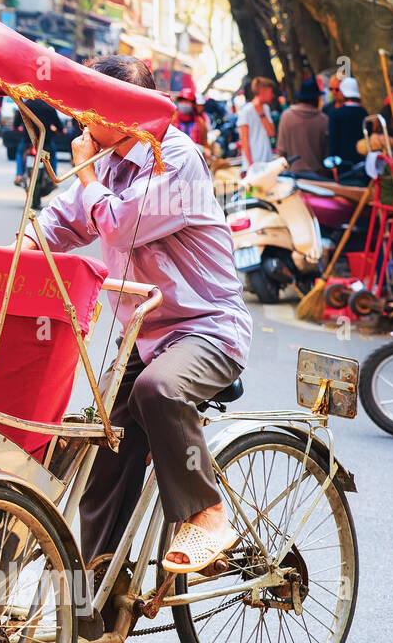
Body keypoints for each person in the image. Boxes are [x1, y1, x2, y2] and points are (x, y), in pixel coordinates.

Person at [24, 54, 252, 575]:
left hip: (207, 330)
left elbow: (119, 225)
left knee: (158, 391)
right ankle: (94, 589)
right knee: (100, 438)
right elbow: (61, 222)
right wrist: (21, 248)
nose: (82, 115)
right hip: (142, 338)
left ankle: (208, 515)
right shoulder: (105, 161)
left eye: (92, 104)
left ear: (129, 111)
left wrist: (84, 179)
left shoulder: (178, 161)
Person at [276, 77, 329, 173]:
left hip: (293, 175)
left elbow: (281, 149)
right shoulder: (323, 120)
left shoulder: (286, 116)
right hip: (318, 177)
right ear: (316, 98)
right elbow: (327, 153)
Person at [14, 98, 62, 186]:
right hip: (45, 141)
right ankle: (53, 177)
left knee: (20, 153)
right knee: (53, 154)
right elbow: (58, 124)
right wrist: (60, 130)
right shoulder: (49, 105)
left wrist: (15, 127)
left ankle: (19, 175)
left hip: (28, 139)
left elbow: (16, 121)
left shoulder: (26, 104)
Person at [327, 76, 367, 166]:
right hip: (362, 162)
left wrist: (333, 164)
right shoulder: (364, 113)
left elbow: (333, 141)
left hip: (343, 164)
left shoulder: (336, 114)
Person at [237, 76, 276, 167]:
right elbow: (244, 140)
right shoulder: (246, 111)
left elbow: (271, 133)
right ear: (263, 91)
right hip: (254, 163)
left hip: (267, 161)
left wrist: (261, 113)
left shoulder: (266, 108)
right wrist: (251, 165)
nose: (273, 95)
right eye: (271, 91)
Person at [172, 84, 207, 151]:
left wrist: (203, 149)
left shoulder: (200, 123)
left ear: (193, 104)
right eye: (181, 101)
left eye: (187, 101)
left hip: (193, 156)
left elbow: (205, 144)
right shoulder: (172, 120)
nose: (183, 104)